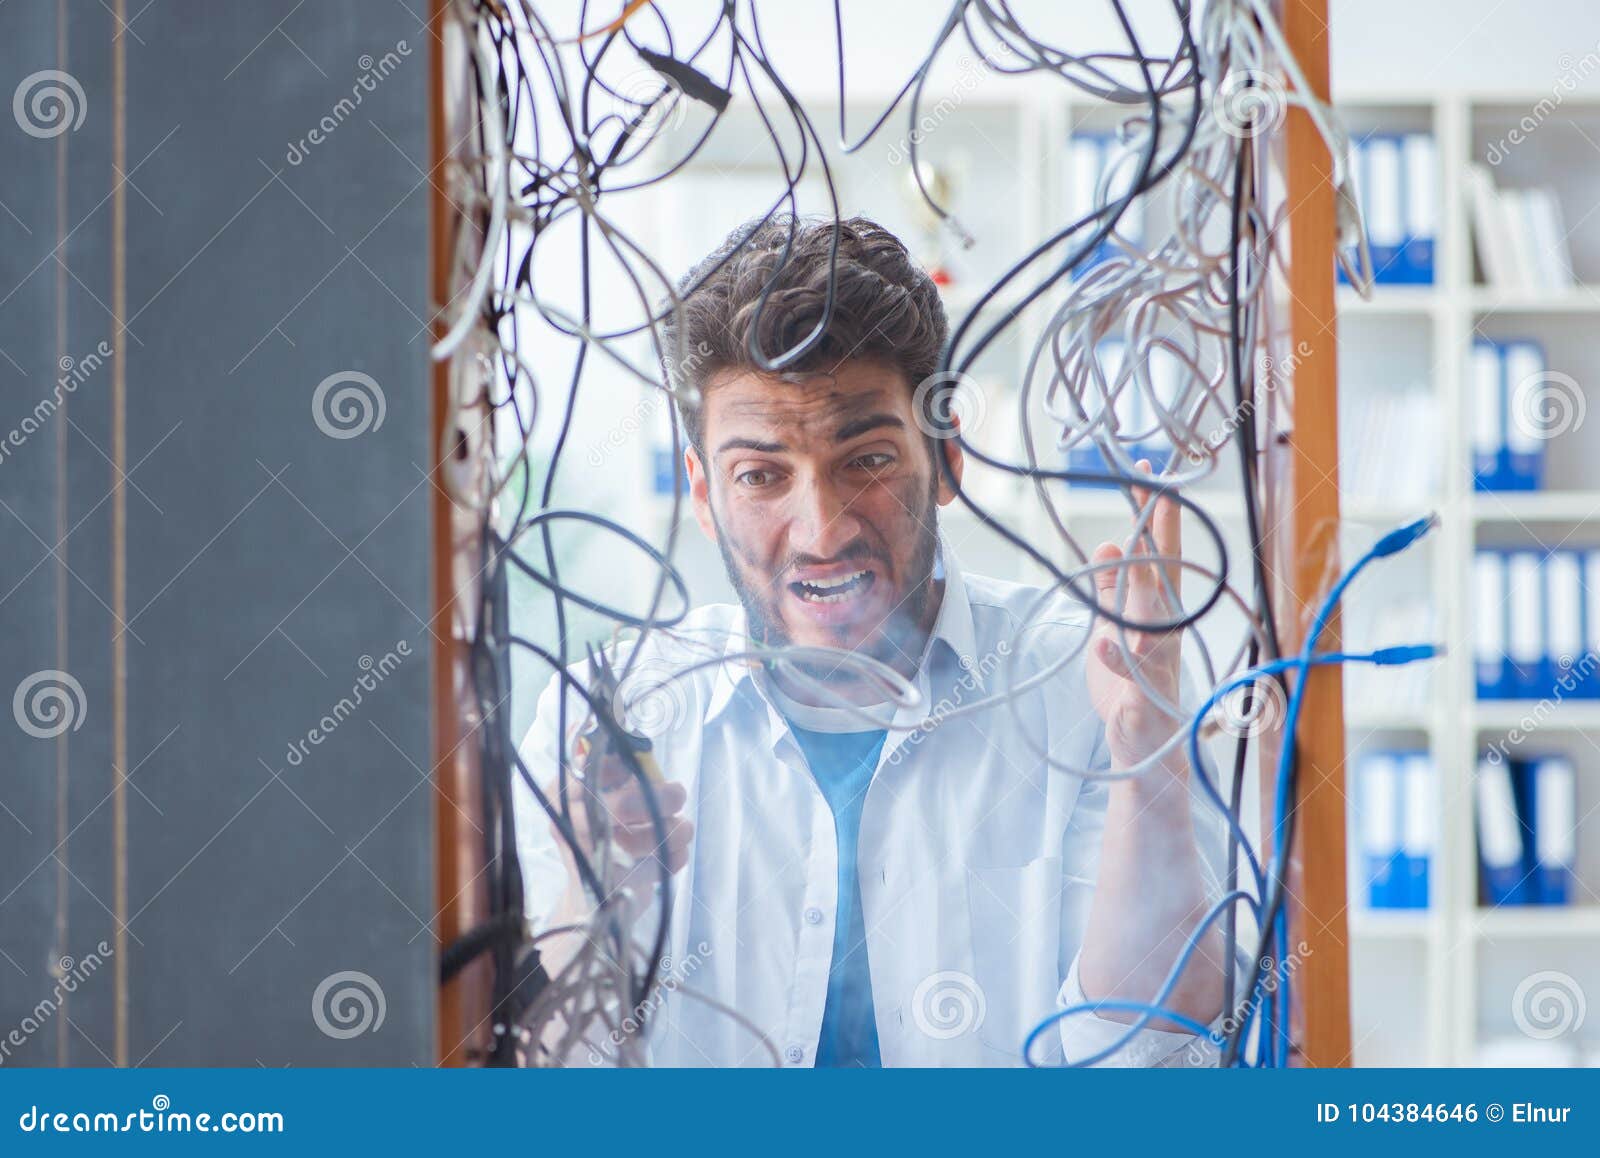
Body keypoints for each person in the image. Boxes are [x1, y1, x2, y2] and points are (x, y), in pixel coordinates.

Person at [515, 215, 1236, 1067]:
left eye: (867, 461)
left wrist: (1147, 762)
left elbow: (1145, 1067)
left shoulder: (1090, 682)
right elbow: (552, 1086)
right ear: (703, 495)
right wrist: (592, 909)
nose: (822, 531)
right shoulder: (612, 716)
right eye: (761, 476)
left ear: (948, 460)